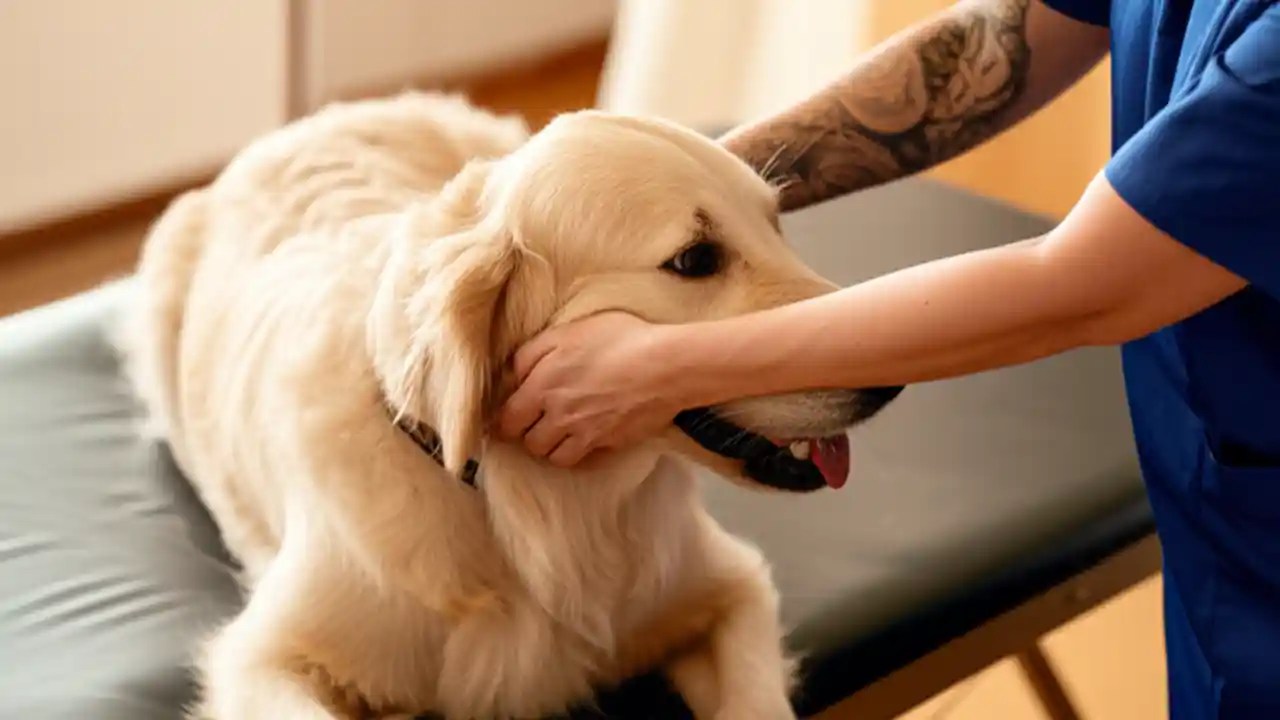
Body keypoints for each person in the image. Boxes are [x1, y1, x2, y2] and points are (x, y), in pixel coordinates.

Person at [495, 1, 1279, 716]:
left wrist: (655, 367)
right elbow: (1003, 46)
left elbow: (1083, 287)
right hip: (1216, 500)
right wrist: (683, 191)